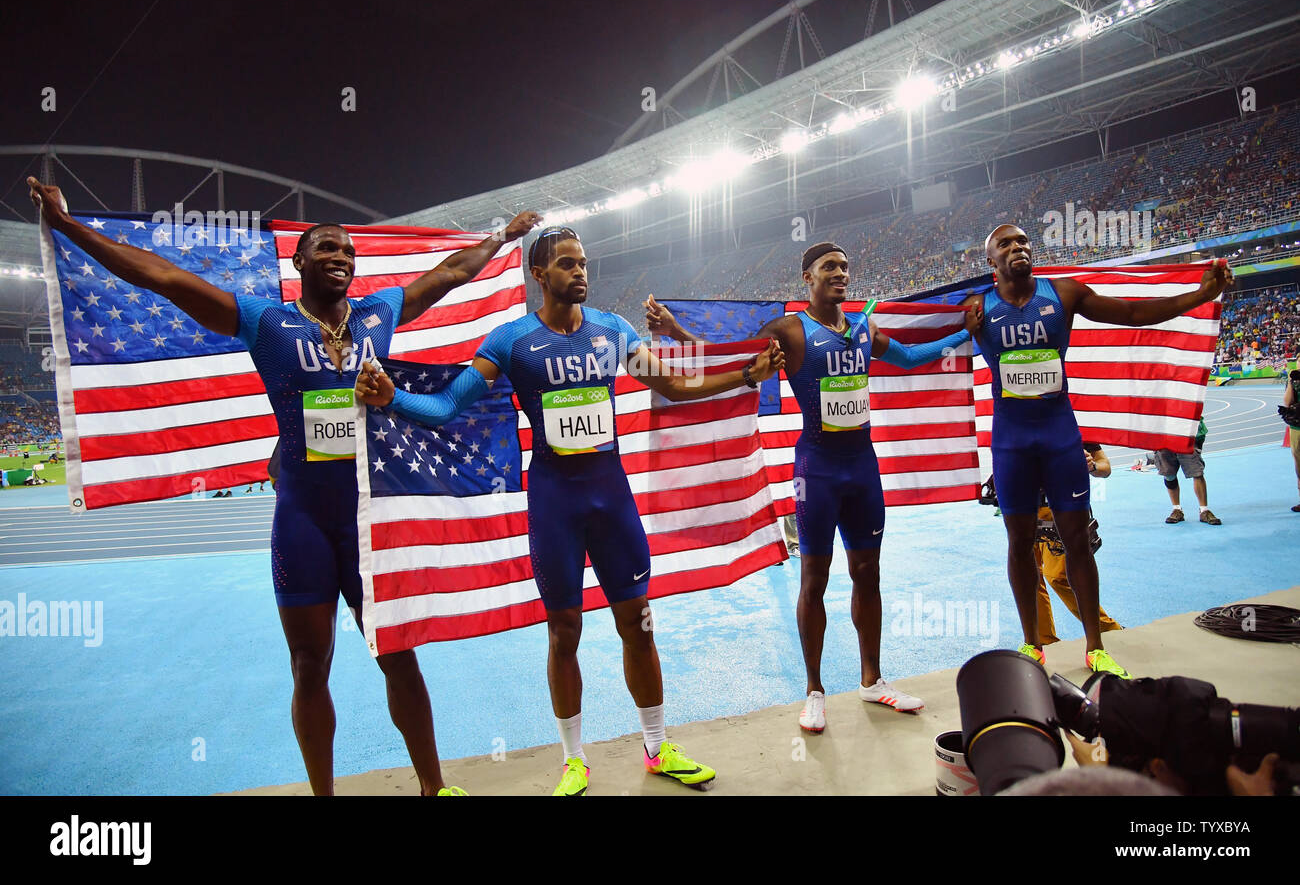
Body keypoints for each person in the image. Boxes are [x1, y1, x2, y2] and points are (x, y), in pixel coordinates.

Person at [30, 175, 542, 796]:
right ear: (298, 262)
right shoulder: (267, 324)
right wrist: (67, 226)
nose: (340, 258)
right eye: (325, 248)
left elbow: (452, 273)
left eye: (348, 251)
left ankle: (436, 789)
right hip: (303, 519)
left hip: (369, 519)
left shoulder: (379, 315)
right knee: (308, 666)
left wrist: (502, 237)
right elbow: (163, 278)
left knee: (399, 654)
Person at [355, 225, 784, 795]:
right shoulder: (509, 341)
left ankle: (658, 748)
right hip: (555, 502)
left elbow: (673, 386)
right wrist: (394, 400)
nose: (580, 272)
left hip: (612, 498)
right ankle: (574, 759)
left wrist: (743, 375)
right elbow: (447, 407)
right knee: (564, 630)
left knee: (639, 622)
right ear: (540, 275)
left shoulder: (613, 329)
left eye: (583, 262)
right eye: (567, 264)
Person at [643, 241, 978, 733]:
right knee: (813, 580)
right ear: (808, 277)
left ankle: (873, 680)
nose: (840, 274)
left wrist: (959, 336)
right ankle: (815, 690)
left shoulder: (862, 327)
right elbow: (729, 357)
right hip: (816, 469)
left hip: (863, 467)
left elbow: (907, 357)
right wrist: (674, 330)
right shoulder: (789, 331)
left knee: (868, 572)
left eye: (845, 267)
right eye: (829, 267)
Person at [966, 223, 1231, 680]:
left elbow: (1130, 312)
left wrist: (1198, 296)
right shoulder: (975, 308)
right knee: (1019, 544)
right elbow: (912, 341)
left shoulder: (1064, 294)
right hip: (1010, 443)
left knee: (1077, 542)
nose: (1019, 248)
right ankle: (1031, 645)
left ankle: (1095, 646)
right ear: (991, 262)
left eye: (1024, 242)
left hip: (1059, 437)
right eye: (1006, 244)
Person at [1033, 443, 1122, 646]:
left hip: (1058, 510)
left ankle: (1109, 629)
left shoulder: (1073, 426)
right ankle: (1045, 640)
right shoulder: (1016, 424)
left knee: (1057, 577)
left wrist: (1091, 466)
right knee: (1030, 577)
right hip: (1022, 510)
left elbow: (1104, 467)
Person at [1153, 418, 1221, 525]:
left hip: (1187, 433)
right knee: (1169, 474)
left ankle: (1204, 510)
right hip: (1163, 434)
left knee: (1196, 472)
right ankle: (1177, 509)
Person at [1282, 368, 1300, 512]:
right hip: (1297, 428)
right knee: (1299, 465)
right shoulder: (1295, 380)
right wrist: (1290, 381)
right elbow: (1288, 402)